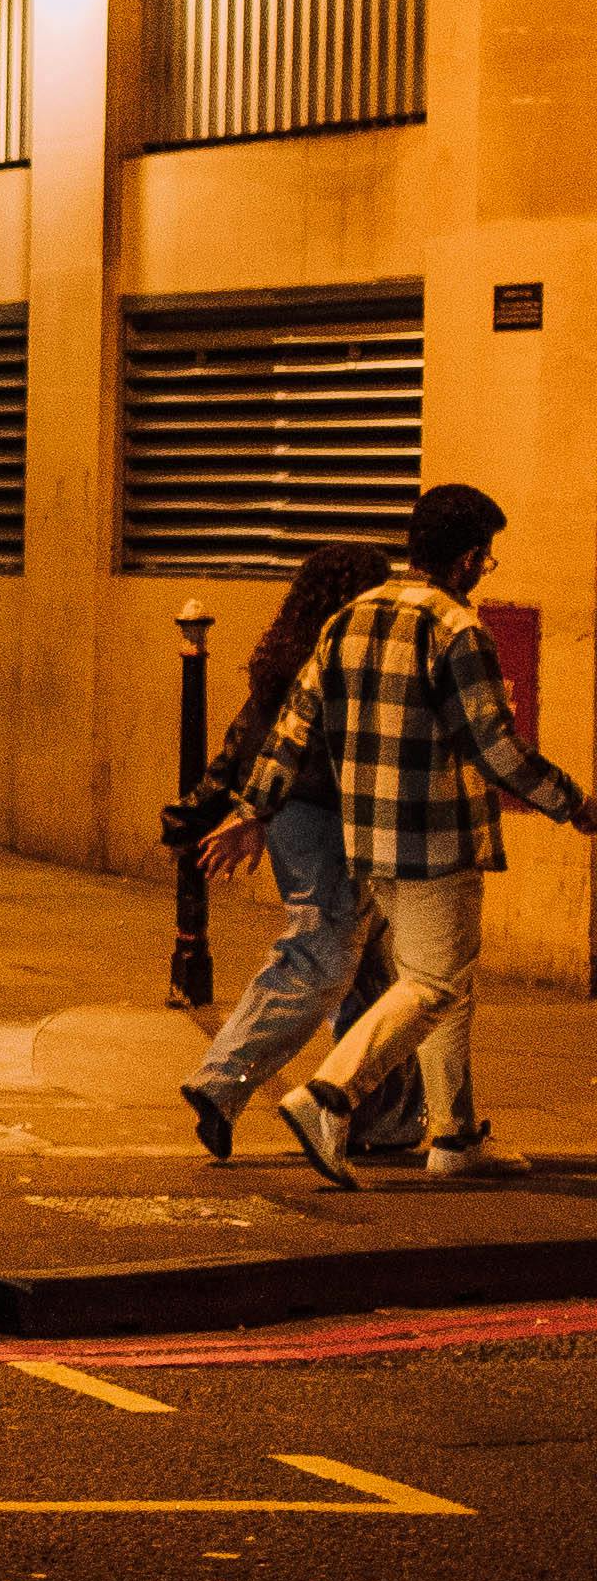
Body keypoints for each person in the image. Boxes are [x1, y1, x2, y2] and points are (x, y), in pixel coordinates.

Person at [177, 482, 589, 1183]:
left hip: (366, 842)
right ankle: (328, 1096)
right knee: (429, 983)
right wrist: (574, 803)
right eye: (484, 557)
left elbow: (291, 728)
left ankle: (454, 1136)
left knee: (441, 982)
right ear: (464, 560)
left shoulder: (351, 620)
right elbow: (494, 747)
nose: (485, 568)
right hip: (436, 840)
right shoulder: (456, 630)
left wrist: (251, 811)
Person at [177, 532, 404, 1166]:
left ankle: (382, 1115)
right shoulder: (343, 656)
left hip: (290, 815)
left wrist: (237, 805)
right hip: (327, 816)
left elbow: (247, 733)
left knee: (372, 965)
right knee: (320, 955)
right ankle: (222, 1081)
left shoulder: (283, 649)